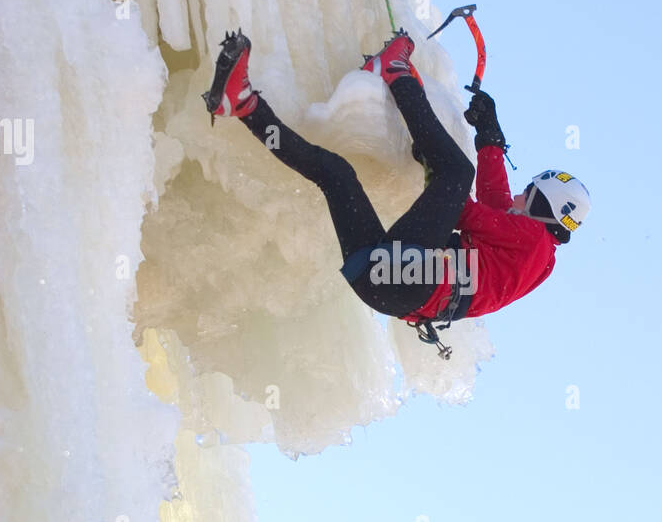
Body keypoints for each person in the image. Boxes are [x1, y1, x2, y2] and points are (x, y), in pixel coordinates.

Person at [203, 28, 590, 356]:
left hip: (411, 276)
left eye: (529, 195)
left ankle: (396, 71)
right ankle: (243, 105)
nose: (519, 199)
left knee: (456, 171)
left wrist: (434, 163)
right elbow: (495, 204)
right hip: (381, 284)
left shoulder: (534, 242)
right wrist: (490, 137)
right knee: (336, 175)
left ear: (544, 209)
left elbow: (464, 209)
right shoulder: (530, 253)